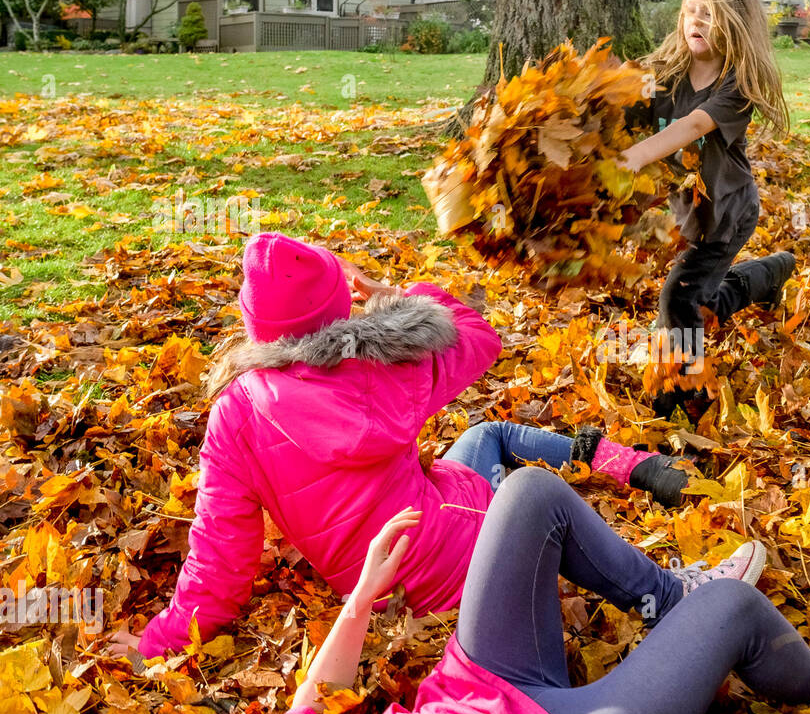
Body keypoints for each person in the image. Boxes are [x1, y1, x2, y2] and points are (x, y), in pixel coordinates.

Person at [112, 232, 687, 659]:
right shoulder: (385, 364)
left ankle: (631, 474)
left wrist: (154, 645)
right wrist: (396, 294)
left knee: (484, 440)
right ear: (340, 310)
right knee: (508, 459)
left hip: (382, 595)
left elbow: (220, 558)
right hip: (463, 545)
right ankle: (649, 530)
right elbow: (481, 336)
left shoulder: (235, 413)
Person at [71, 468, 810, 714]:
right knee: (732, 611)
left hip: (470, 690)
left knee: (528, 496)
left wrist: (362, 597)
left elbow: (311, 705)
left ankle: (664, 602)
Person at [621, 0, 797, 421]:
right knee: (698, 299)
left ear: (735, 21)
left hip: (727, 213)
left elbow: (693, 126)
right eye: (688, 12)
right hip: (688, 215)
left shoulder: (736, 84)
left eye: (708, 13)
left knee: (676, 300)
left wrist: (637, 155)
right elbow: (625, 112)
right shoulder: (664, 74)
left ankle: (681, 396)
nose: (694, 21)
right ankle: (769, 274)